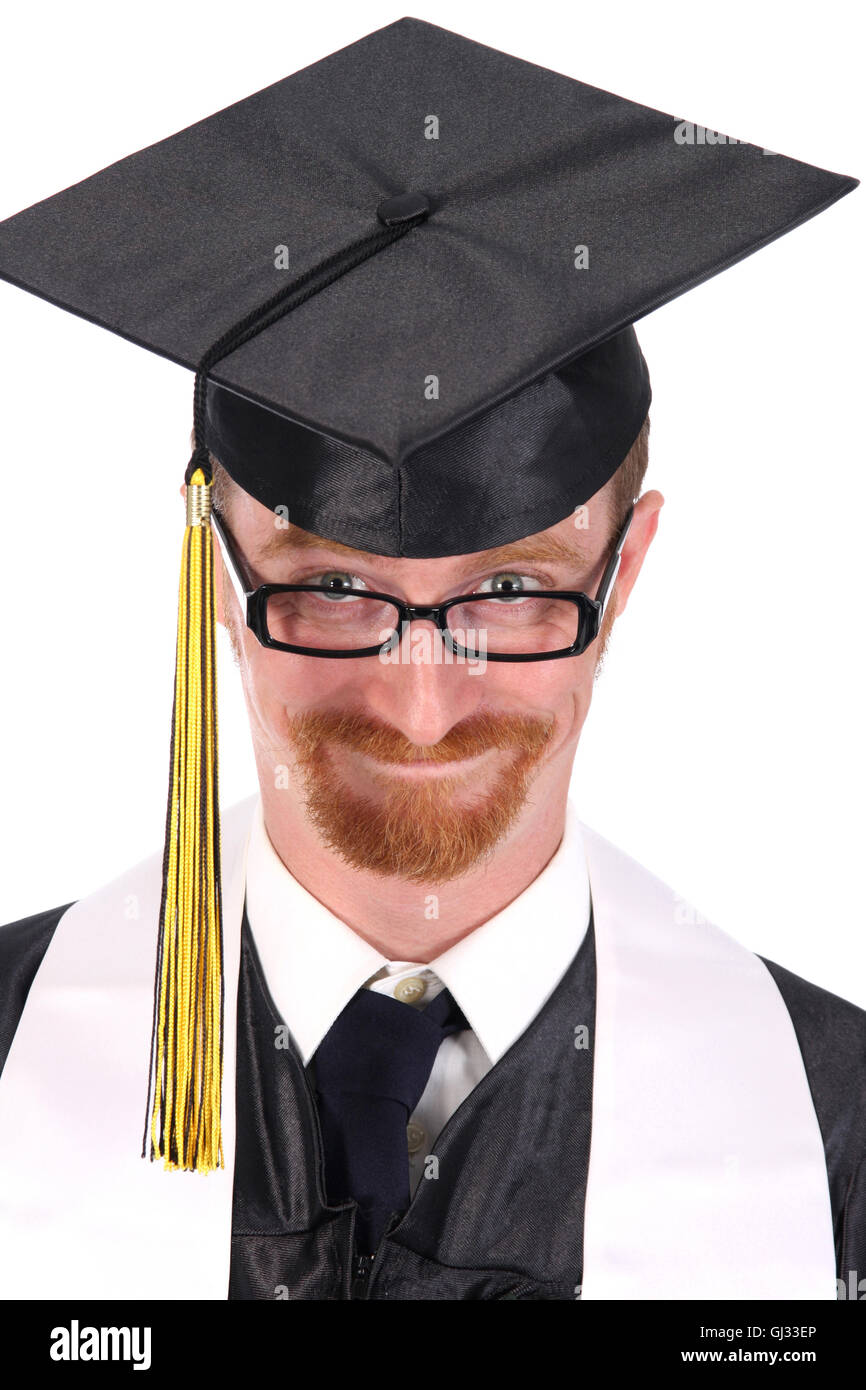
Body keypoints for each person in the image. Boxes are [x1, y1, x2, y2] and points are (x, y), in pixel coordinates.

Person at [0, 17, 863, 1301]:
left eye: (509, 590)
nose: (416, 702)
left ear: (621, 572)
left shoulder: (834, 1141)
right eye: (332, 588)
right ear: (216, 574)